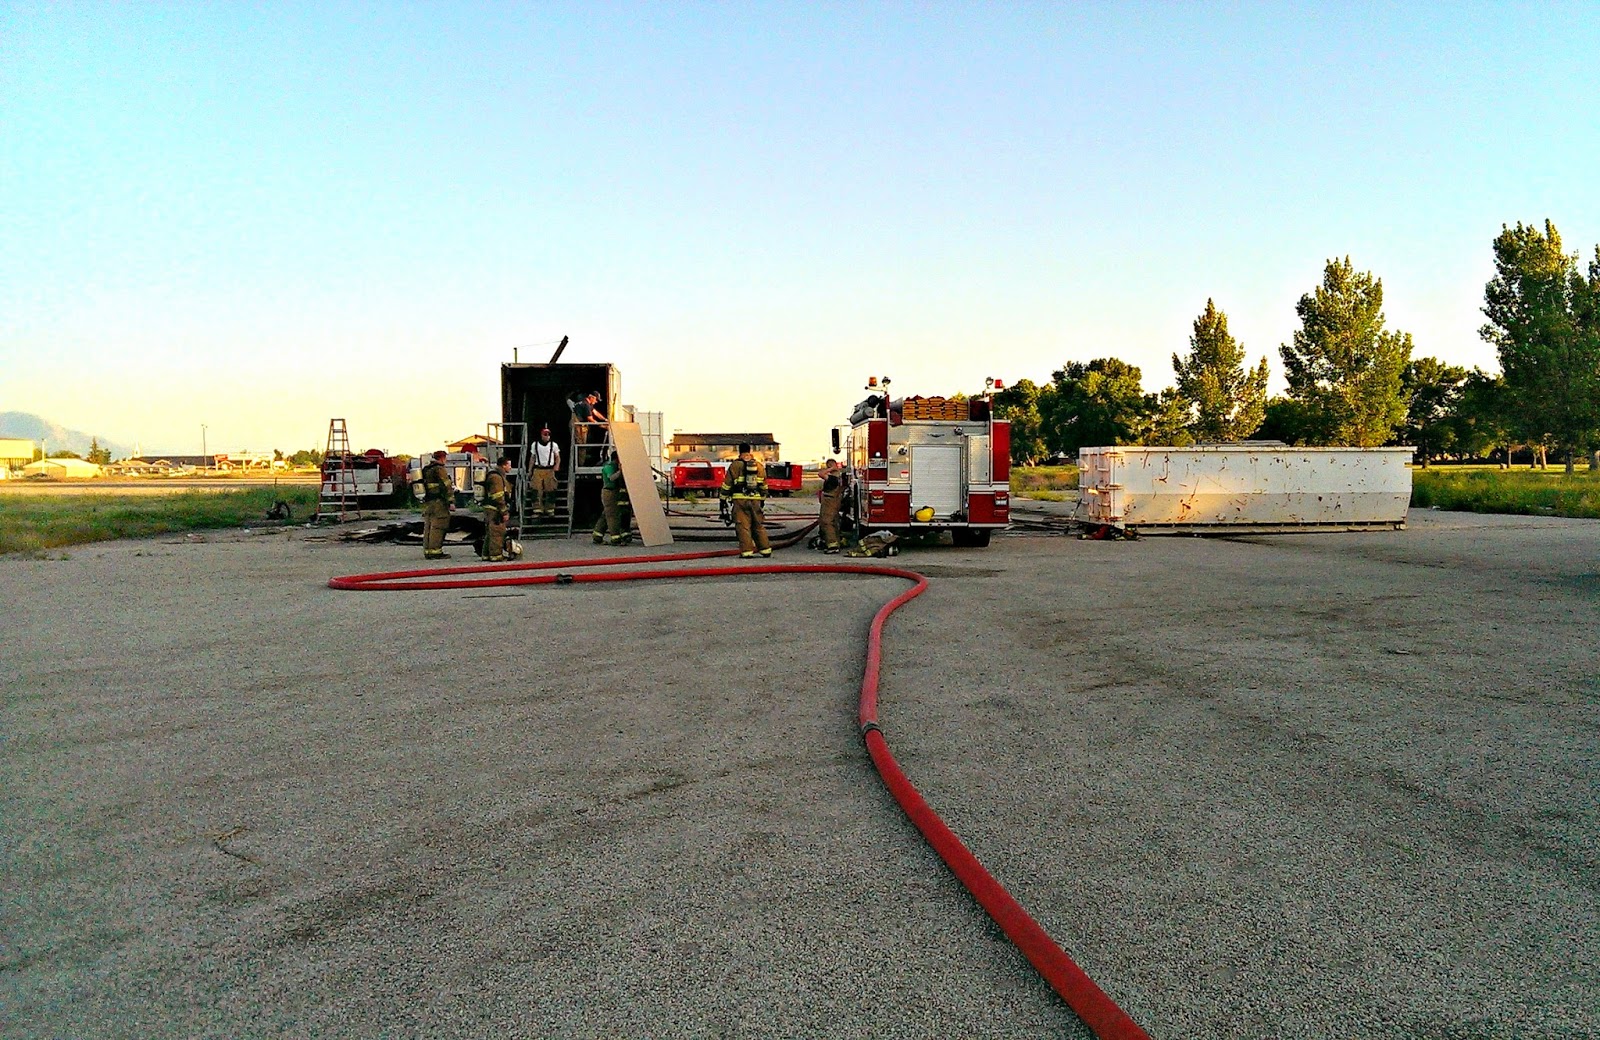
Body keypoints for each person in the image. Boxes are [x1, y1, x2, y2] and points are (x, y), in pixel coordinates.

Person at [720, 442, 770, 558]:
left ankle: (747, 551)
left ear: (739, 451)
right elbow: (764, 485)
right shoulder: (759, 466)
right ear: (750, 451)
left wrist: (722, 499)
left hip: (740, 500)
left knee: (743, 526)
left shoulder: (735, 465)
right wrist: (762, 499)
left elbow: (727, 484)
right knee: (758, 524)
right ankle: (765, 549)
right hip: (756, 500)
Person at [592, 450, 632, 545]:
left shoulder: (614, 466)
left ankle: (597, 536)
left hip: (613, 492)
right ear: (617, 458)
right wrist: (620, 471)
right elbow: (611, 477)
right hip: (610, 492)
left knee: (606, 514)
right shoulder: (609, 467)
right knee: (613, 516)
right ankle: (615, 538)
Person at [420, 449, 454, 560]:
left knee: (429, 526)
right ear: (442, 458)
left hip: (429, 502)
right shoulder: (439, 469)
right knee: (439, 526)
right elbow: (446, 486)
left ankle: (428, 550)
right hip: (439, 502)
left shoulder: (427, 469)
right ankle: (435, 551)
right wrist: (451, 501)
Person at [481, 456, 513, 561]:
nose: (510, 467)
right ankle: (496, 555)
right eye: (509, 465)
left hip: (491, 508)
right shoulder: (496, 477)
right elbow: (498, 496)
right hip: (495, 509)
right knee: (497, 532)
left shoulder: (497, 475)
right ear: (503, 465)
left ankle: (486, 555)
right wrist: (504, 512)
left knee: (491, 533)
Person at [528, 426, 561, 516]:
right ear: (541, 435)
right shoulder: (535, 445)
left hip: (549, 469)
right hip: (538, 469)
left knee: (550, 489)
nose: (547, 436)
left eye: (548, 435)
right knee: (536, 490)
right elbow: (532, 457)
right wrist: (530, 470)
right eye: (545, 434)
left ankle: (550, 509)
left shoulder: (553, 445)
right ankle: (537, 509)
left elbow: (557, 457)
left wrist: (556, 466)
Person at [818, 458, 846, 553]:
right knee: (833, 521)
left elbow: (820, 474)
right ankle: (835, 542)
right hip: (832, 500)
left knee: (827, 521)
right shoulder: (838, 477)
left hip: (830, 500)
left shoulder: (833, 478)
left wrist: (831, 469)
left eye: (828, 466)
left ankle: (832, 545)